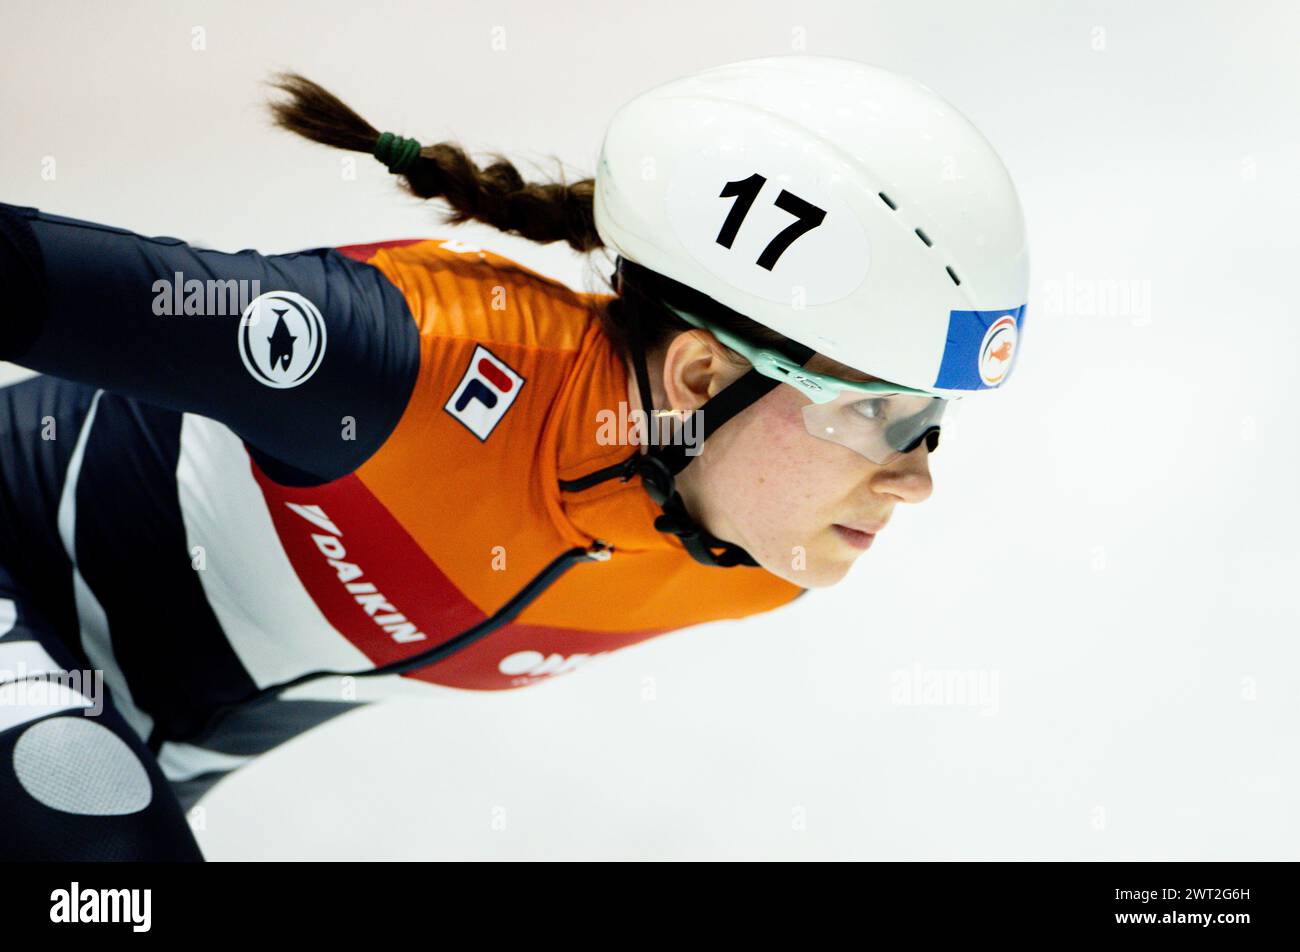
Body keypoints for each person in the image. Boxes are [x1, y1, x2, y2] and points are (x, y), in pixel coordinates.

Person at [0, 54, 1029, 859]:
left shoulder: (763, 555)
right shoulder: (403, 364)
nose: (917, 476)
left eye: (930, 415)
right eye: (875, 411)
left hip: (140, 751)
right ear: (703, 379)